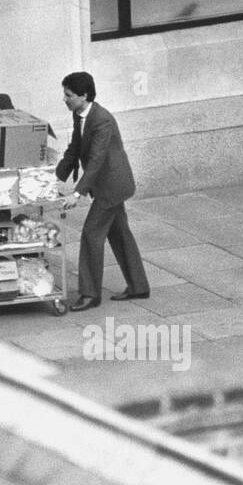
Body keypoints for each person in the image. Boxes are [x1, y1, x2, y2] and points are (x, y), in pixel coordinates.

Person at [56, 71, 151, 311]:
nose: (64, 99)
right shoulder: (81, 115)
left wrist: (76, 194)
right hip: (108, 185)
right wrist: (55, 178)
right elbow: (74, 150)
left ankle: (90, 294)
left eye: (68, 95)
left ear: (83, 95)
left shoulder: (102, 120)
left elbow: (97, 160)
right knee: (119, 234)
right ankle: (138, 286)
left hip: (112, 186)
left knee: (91, 234)